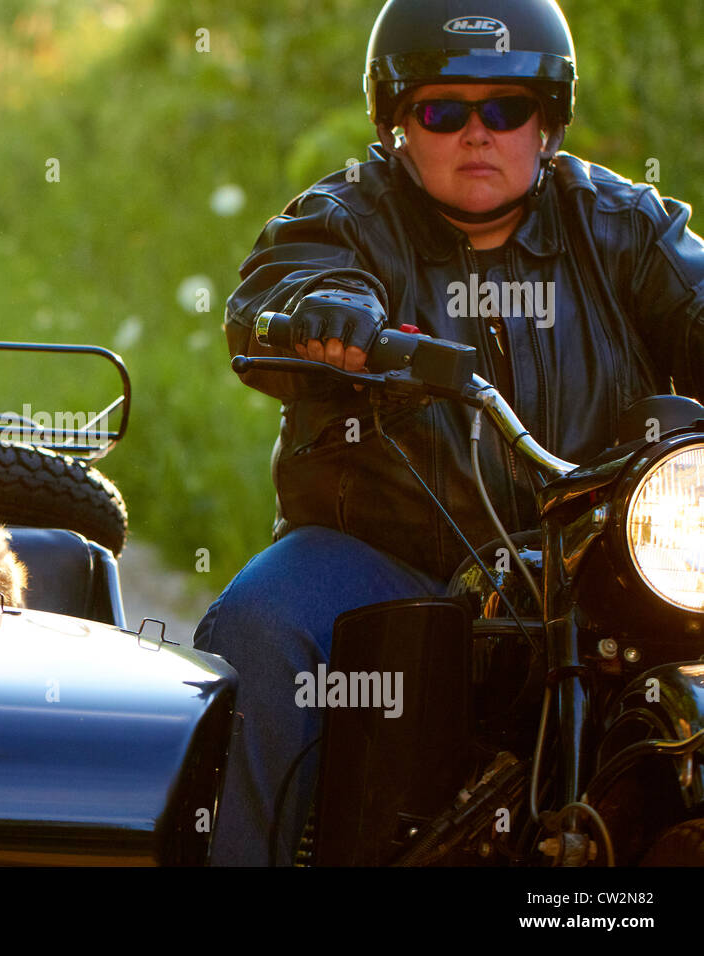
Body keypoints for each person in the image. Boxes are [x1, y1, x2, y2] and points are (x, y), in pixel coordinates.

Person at [194, 0, 704, 866]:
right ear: (400, 121)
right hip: (386, 560)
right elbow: (278, 289)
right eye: (444, 110)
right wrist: (327, 316)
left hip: (601, 564)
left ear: (546, 121)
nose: (479, 133)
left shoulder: (622, 226)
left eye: (506, 109)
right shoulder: (346, 219)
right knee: (262, 623)